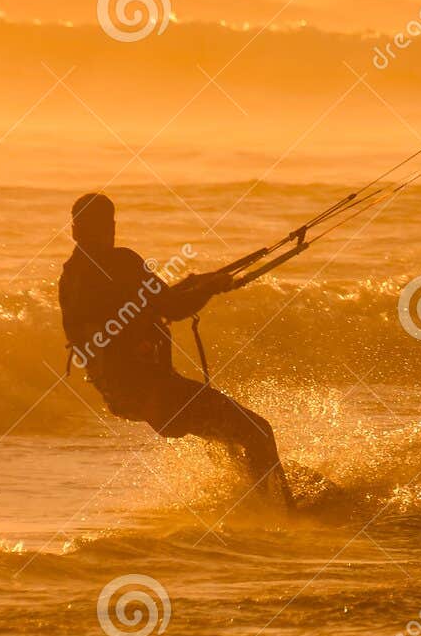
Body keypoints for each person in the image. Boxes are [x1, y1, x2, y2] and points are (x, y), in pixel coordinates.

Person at [57, 192, 294, 510]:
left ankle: (253, 506)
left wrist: (192, 285)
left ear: (74, 230)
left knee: (231, 438)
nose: (109, 234)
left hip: (124, 398)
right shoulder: (121, 262)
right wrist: (210, 287)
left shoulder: (70, 278)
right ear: (108, 227)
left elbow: (133, 309)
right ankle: (282, 513)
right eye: (105, 227)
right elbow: (173, 307)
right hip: (158, 393)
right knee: (258, 432)